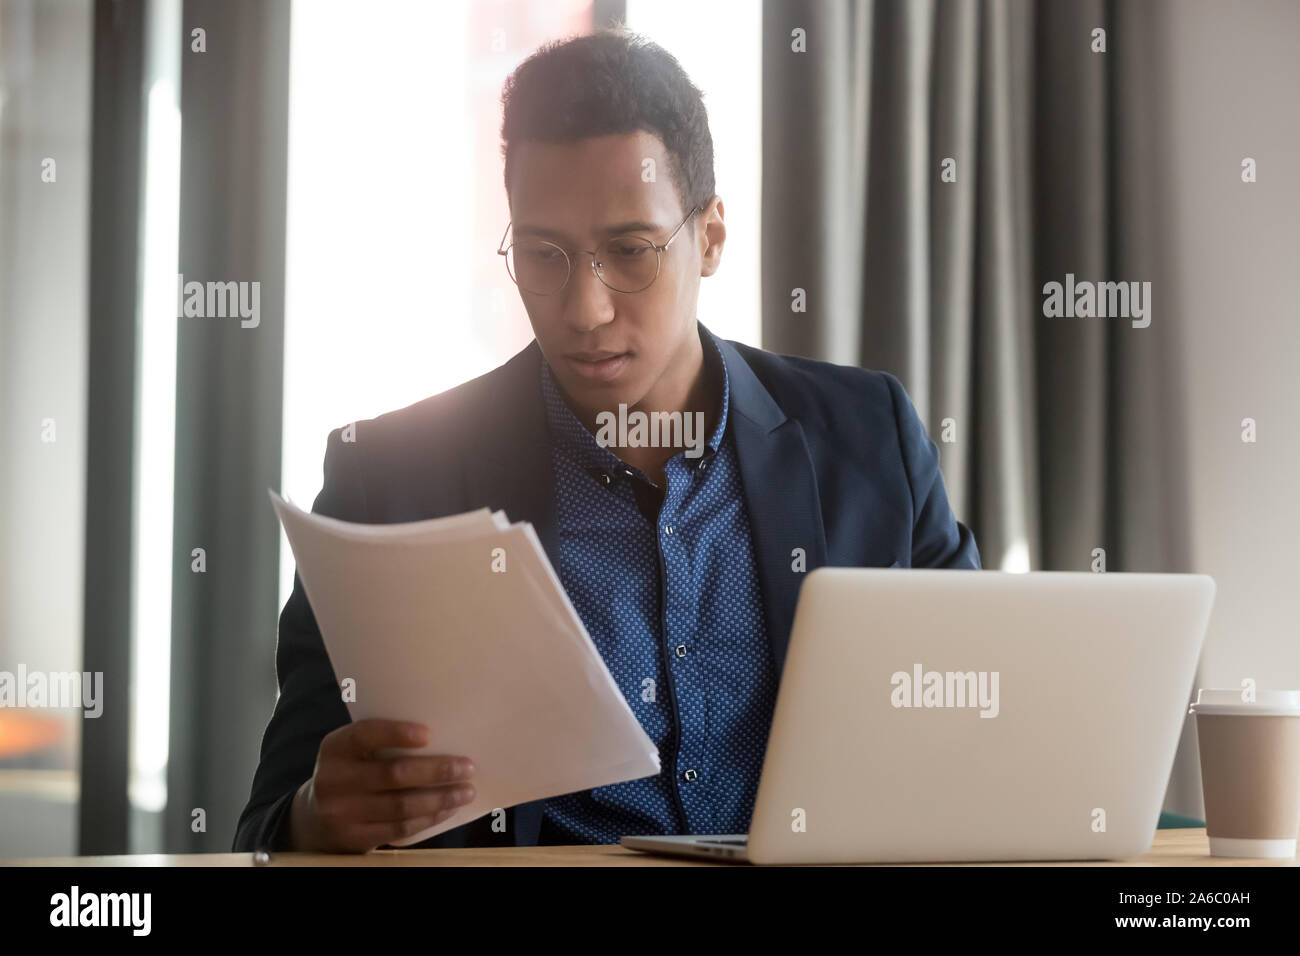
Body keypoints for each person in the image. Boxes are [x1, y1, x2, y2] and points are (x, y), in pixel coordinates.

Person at [234, 26, 980, 855]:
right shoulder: (392, 482)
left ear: (714, 237)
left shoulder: (868, 437)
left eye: (631, 251)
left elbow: (981, 722)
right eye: (543, 254)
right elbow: (265, 829)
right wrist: (317, 813)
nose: (584, 310)